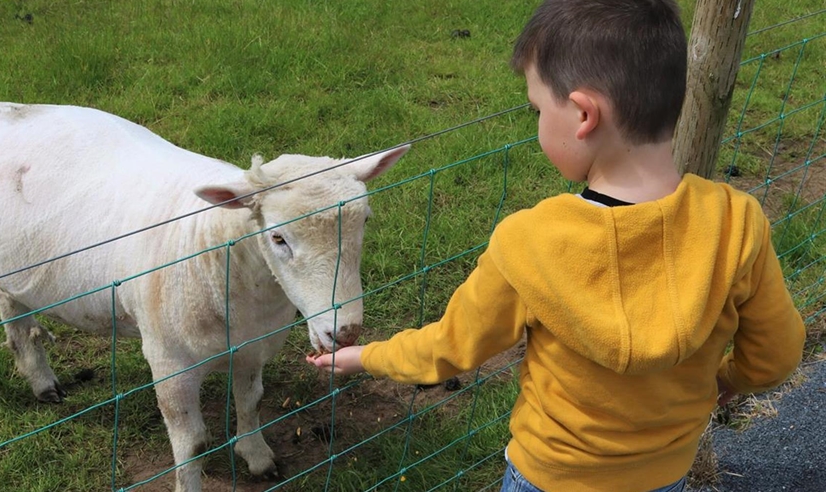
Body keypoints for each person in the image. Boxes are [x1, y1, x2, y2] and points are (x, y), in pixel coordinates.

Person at [307, 0, 807, 490]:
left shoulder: (530, 242)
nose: (538, 121)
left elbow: (449, 349)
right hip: (665, 473)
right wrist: (728, 380)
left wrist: (365, 357)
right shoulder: (736, 221)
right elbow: (778, 354)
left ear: (583, 114)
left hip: (548, 475)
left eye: (538, 109)